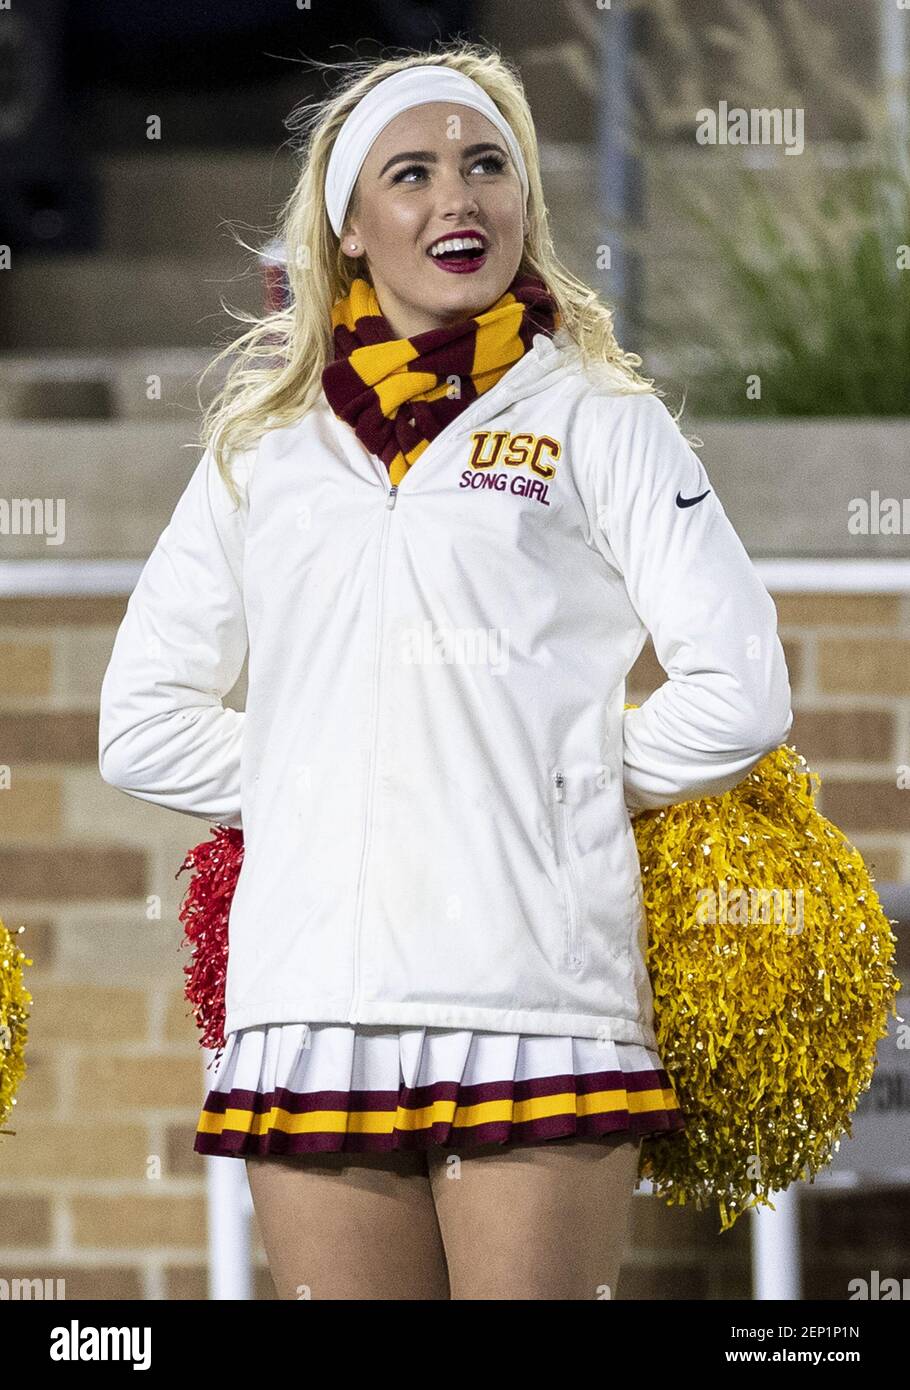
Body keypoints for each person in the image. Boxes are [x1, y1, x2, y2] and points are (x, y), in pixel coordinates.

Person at [98, 40, 793, 1300]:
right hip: (309, 1006)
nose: (456, 198)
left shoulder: (596, 415)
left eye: (486, 167)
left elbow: (739, 687)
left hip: (534, 993)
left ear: (524, 203)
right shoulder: (267, 447)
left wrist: (551, 775)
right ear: (349, 226)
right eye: (410, 175)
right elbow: (141, 722)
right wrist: (340, 769)